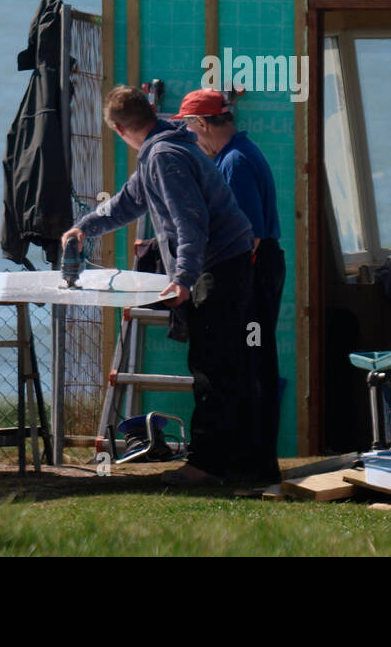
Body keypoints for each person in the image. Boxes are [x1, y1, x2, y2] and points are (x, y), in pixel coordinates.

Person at [61, 85, 256, 487]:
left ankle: (208, 465)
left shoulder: (164, 156)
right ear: (150, 111)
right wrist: (84, 228)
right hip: (223, 261)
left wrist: (182, 278)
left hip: (217, 267)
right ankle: (230, 462)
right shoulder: (164, 148)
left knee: (212, 369)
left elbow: (190, 221)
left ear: (118, 130)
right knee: (220, 365)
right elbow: (127, 204)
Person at [175, 88, 284, 484]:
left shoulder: (234, 163)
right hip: (259, 267)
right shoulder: (238, 153)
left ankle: (240, 465)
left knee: (244, 364)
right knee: (251, 364)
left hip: (252, 271)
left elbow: (248, 237)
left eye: (189, 128)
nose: (190, 138)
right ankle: (247, 464)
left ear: (201, 124)